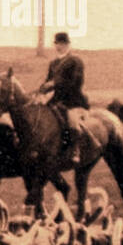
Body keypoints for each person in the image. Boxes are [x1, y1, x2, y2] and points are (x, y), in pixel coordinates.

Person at [37, 31, 90, 163]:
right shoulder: (53, 63)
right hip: (56, 99)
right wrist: (42, 89)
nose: (59, 46)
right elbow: (48, 80)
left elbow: (76, 82)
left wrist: (55, 83)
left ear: (67, 45)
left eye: (62, 43)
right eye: (57, 44)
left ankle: (75, 150)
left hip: (73, 99)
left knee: (71, 119)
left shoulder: (75, 61)